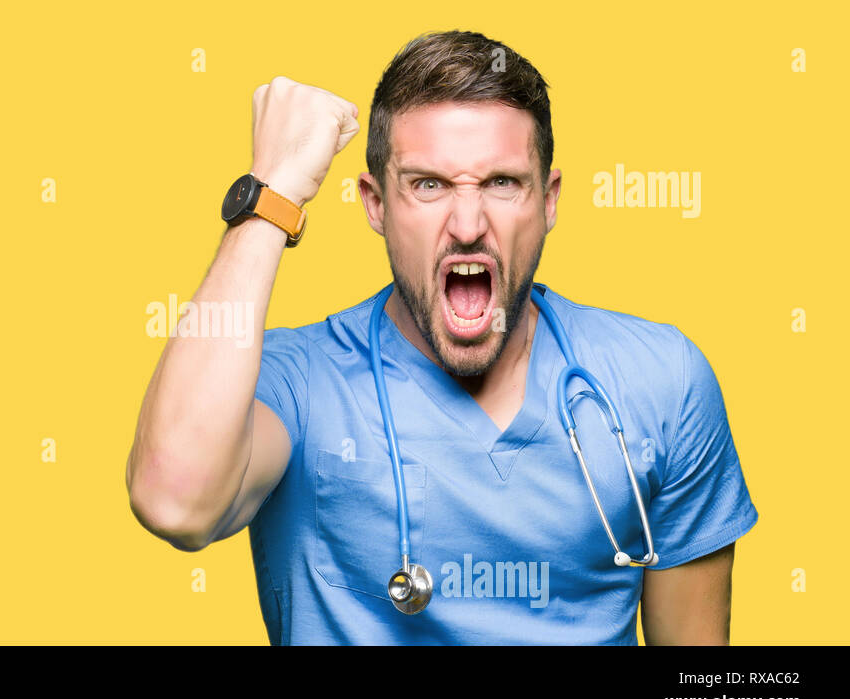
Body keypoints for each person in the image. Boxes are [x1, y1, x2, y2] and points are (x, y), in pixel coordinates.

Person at [125, 30, 757, 645]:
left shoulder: (660, 382)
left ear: (550, 200)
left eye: (501, 183)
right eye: (427, 185)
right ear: (374, 204)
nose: (467, 224)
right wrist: (272, 194)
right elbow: (175, 501)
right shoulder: (296, 382)